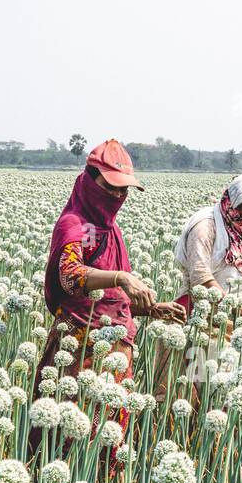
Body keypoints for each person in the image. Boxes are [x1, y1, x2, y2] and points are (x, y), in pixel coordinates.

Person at [40, 139, 185, 421]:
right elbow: (70, 276)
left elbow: (108, 301)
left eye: (123, 189)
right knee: (67, 434)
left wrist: (152, 309)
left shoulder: (108, 229)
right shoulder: (75, 224)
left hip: (114, 354)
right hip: (78, 351)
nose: (118, 196)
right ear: (89, 183)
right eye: (110, 187)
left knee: (107, 440)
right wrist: (121, 277)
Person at [173, 173, 242, 313]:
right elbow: (199, 274)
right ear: (230, 199)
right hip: (201, 310)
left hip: (240, 314)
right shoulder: (205, 225)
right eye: (239, 207)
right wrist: (231, 306)